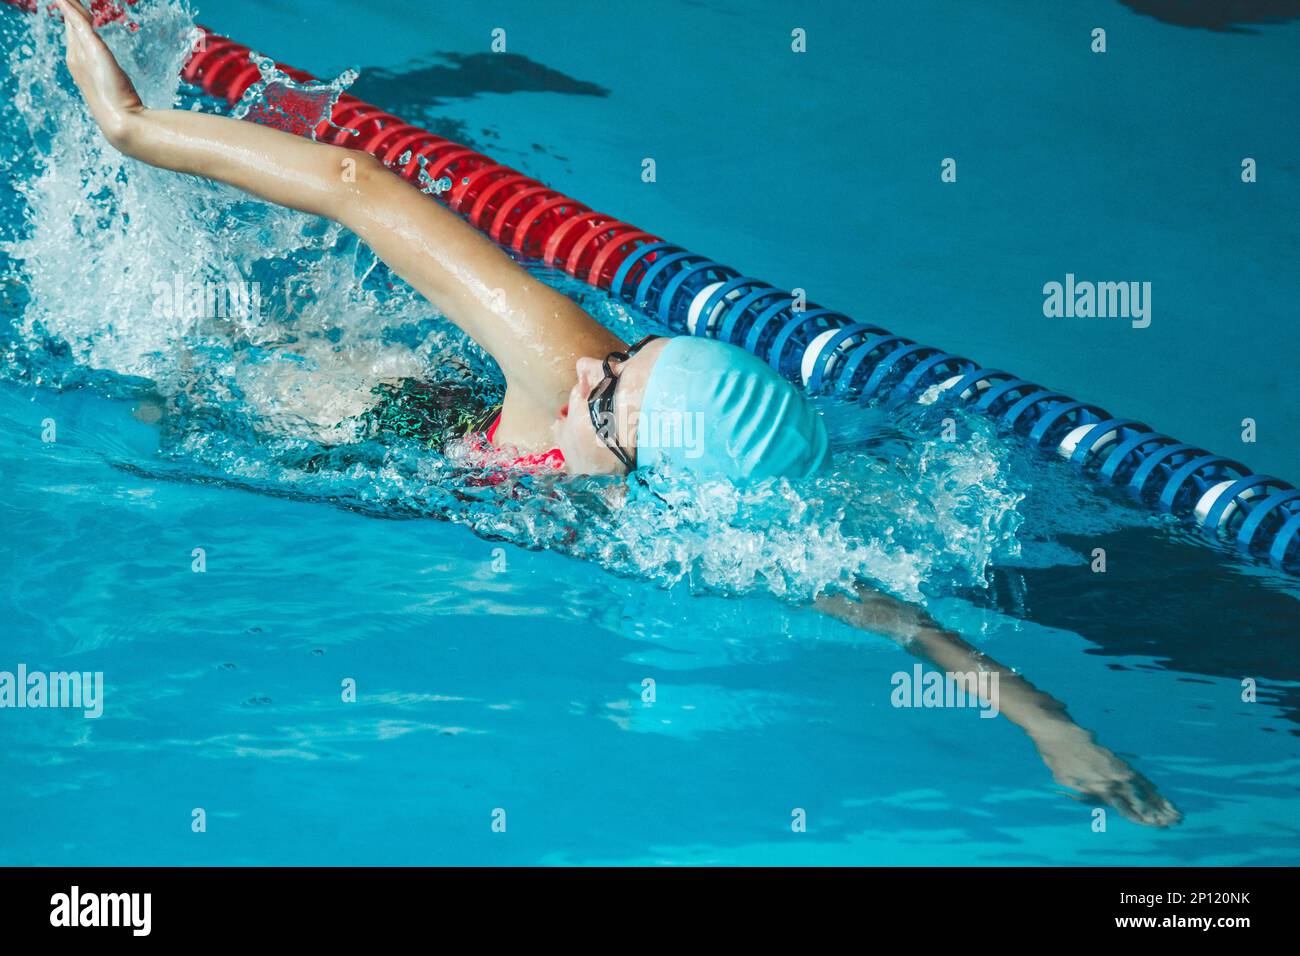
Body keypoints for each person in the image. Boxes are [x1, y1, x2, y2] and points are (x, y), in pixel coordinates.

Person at [52, 0, 1181, 827]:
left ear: (659, 486)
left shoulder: (736, 528)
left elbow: (904, 623)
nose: (589, 376)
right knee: (162, 386)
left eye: (612, 399)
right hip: (346, 409)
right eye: (627, 357)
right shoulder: (563, 364)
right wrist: (134, 129)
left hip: (445, 490)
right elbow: (363, 189)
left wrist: (1048, 725)